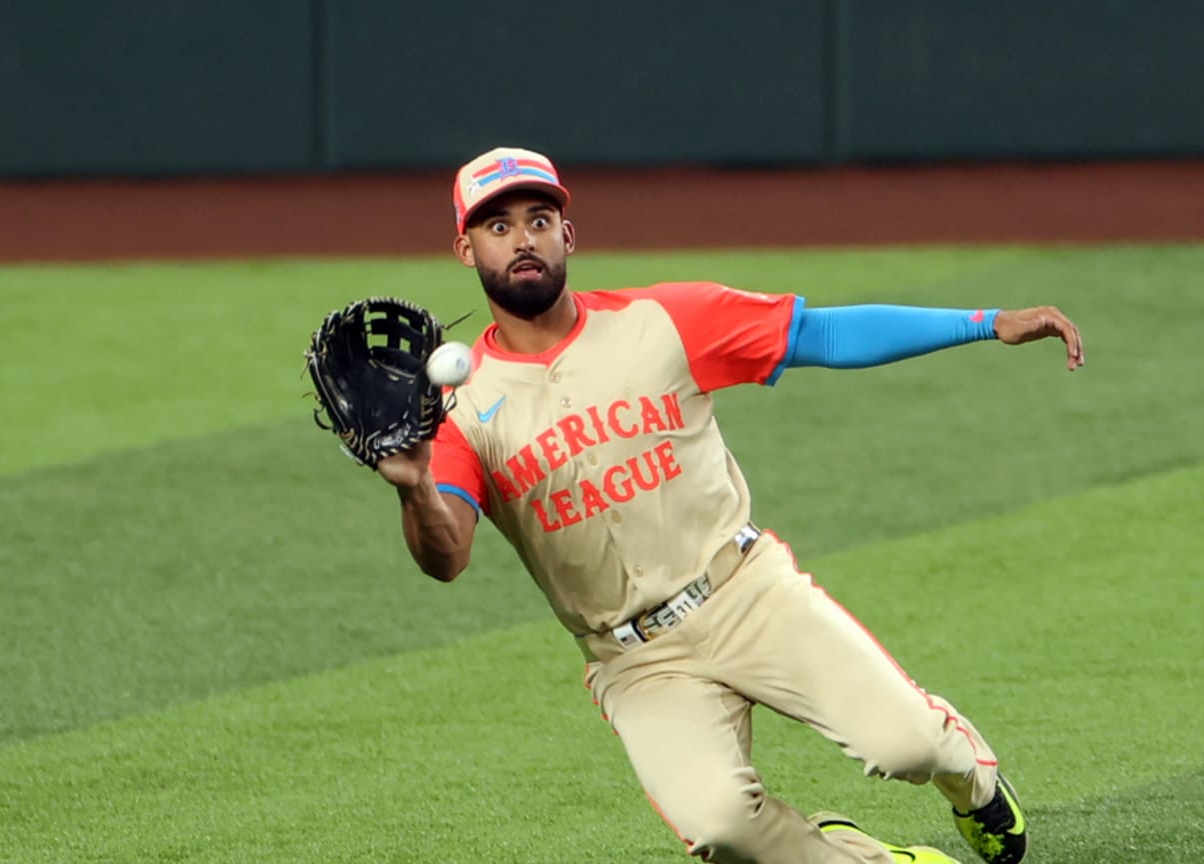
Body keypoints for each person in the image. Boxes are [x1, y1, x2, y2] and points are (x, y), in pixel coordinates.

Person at [377, 147, 1084, 864]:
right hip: (636, 660)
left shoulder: (664, 320)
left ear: (569, 234)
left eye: (539, 218)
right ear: (466, 248)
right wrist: (415, 487)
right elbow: (448, 556)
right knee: (721, 830)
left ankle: (976, 784)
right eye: (498, 226)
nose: (522, 238)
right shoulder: (456, 412)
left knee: (908, 745)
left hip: (747, 593)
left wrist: (985, 321)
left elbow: (822, 334)